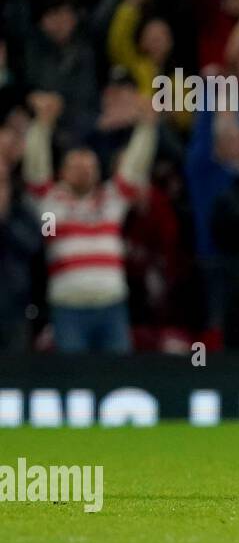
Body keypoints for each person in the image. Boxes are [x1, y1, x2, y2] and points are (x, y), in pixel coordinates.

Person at [22, 90, 158, 353]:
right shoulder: (51, 201)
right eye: (76, 167)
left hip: (112, 305)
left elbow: (135, 167)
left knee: (117, 378)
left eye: (90, 167)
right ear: (62, 172)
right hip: (68, 307)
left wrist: (147, 128)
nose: (84, 172)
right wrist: (41, 125)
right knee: (75, 381)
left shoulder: (111, 200)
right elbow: (35, 169)